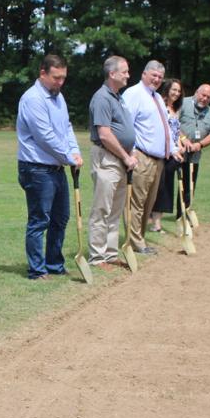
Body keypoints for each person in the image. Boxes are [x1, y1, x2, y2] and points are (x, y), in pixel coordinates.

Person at [15, 54, 83, 280]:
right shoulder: (33, 99)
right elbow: (45, 137)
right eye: (56, 78)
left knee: (60, 218)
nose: (60, 82)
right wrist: (69, 157)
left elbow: (66, 127)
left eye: (63, 78)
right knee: (39, 220)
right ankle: (37, 270)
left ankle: (54, 264)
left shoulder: (58, 97)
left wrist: (75, 151)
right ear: (42, 73)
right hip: (36, 169)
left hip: (56, 168)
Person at [87, 55, 138, 270]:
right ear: (112, 74)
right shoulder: (102, 98)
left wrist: (130, 152)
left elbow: (124, 130)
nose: (128, 75)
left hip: (121, 159)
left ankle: (110, 253)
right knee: (102, 208)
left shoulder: (118, 97)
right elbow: (105, 134)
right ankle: (97, 257)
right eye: (124, 72)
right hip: (107, 159)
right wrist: (126, 156)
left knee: (115, 210)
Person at [120, 60, 171, 255]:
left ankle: (139, 238)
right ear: (144, 74)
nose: (157, 80)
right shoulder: (133, 94)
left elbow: (164, 127)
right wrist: (131, 152)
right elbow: (126, 125)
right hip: (141, 155)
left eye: (160, 77)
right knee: (137, 202)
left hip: (158, 160)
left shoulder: (157, 97)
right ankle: (135, 242)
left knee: (149, 203)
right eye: (154, 75)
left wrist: (172, 149)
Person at [148, 78, 186, 232]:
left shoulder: (175, 109)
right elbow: (161, 131)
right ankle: (153, 222)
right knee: (160, 188)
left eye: (179, 91)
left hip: (175, 154)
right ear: (167, 89)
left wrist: (180, 145)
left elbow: (175, 132)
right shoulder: (160, 105)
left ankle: (156, 223)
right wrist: (172, 149)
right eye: (174, 90)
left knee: (167, 188)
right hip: (163, 154)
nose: (176, 93)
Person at [178, 82, 210, 213]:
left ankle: (183, 214)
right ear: (196, 92)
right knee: (164, 183)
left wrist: (199, 144)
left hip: (193, 156)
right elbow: (172, 122)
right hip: (175, 152)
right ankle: (154, 215)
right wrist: (183, 139)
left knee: (189, 186)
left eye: (208, 97)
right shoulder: (183, 103)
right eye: (203, 95)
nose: (205, 98)